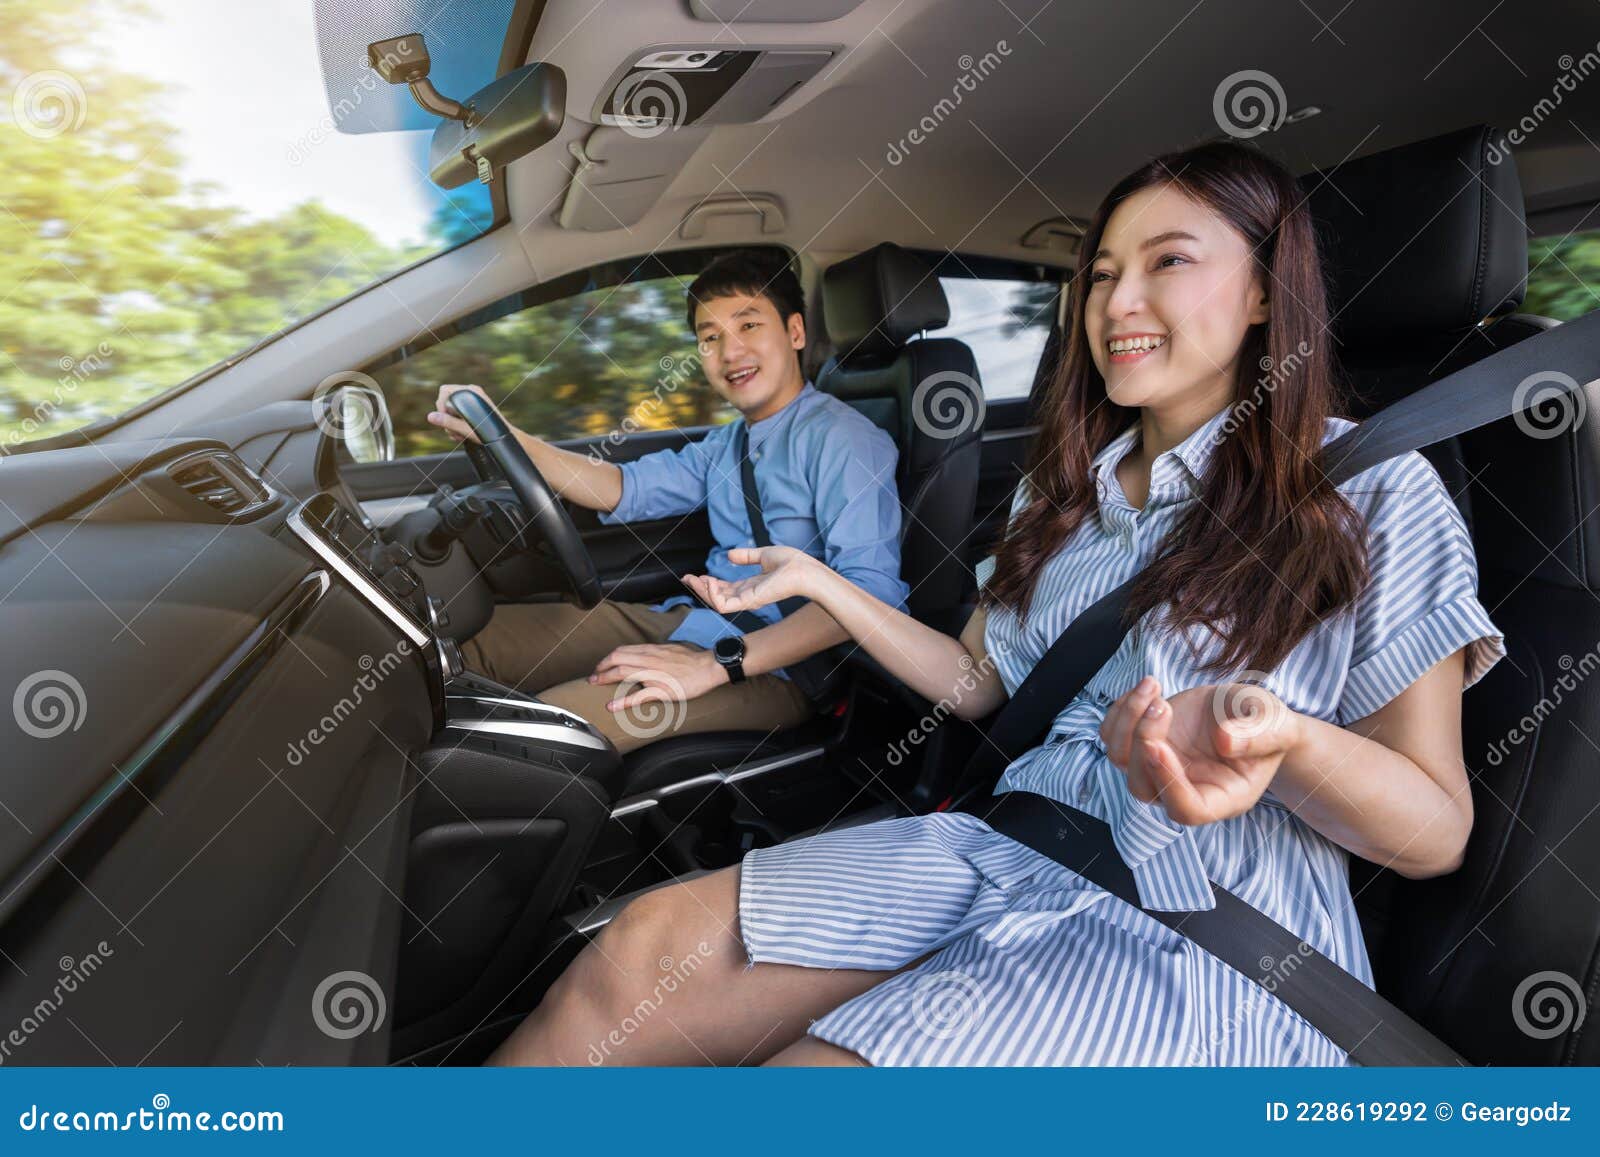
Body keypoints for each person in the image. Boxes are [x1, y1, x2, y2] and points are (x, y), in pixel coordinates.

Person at [484, 141, 1505, 1067]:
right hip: (1003, 843)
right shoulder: (1056, 493)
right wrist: (827, 584)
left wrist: (1286, 746)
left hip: (1207, 913)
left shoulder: (1367, 488)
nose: (1116, 301)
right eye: (1100, 274)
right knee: (637, 954)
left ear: (1258, 293)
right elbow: (975, 682)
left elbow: (1435, 827)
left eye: (1168, 261)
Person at [428, 251, 908, 753]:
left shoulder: (845, 439)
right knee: (463, 642)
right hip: (691, 621)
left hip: (784, 669)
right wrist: (504, 435)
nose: (730, 352)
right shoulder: (728, 444)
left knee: (543, 734)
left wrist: (715, 663)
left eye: (748, 325)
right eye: (710, 338)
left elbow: (871, 596)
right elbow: (619, 486)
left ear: (794, 332)